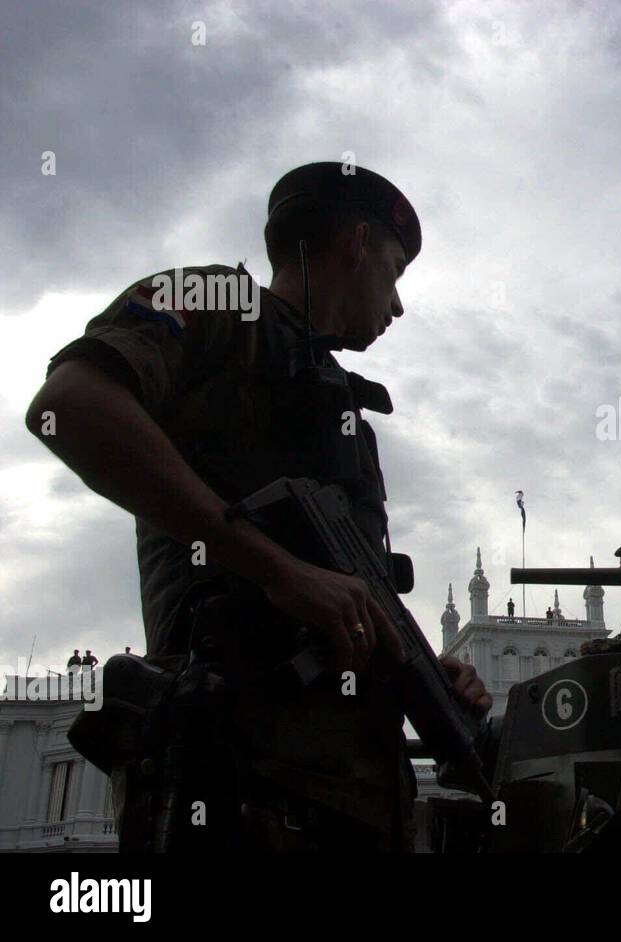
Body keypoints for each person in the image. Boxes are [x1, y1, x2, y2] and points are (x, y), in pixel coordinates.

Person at [26, 161, 490, 852]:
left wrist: (424, 662)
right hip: (231, 779)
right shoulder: (220, 303)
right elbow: (70, 407)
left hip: (357, 800)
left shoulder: (347, 416)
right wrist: (274, 568)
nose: (397, 305)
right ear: (353, 244)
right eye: (394, 272)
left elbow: (347, 593)